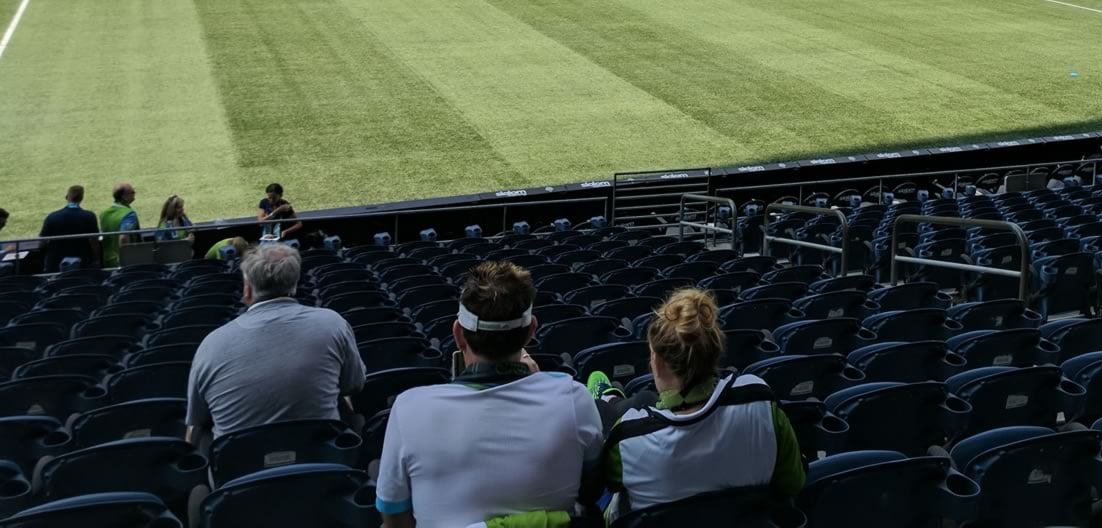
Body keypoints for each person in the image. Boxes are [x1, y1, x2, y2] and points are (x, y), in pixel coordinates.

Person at [376, 262, 602, 526]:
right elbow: (590, 492)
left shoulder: (409, 408)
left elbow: (394, 518)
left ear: (458, 334)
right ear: (531, 331)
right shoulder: (574, 399)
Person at [595, 288, 804, 518]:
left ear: (658, 361)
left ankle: (606, 397)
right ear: (714, 352)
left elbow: (604, 486)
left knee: (620, 408)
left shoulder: (629, 436)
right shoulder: (761, 401)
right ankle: (609, 397)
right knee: (644, 400)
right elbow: (793, 482)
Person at [187, 244, 365, 441]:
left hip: (241, 467)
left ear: (247, 291)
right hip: (321, 459)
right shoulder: (333, 323)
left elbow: (198, 416)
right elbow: (353, 385)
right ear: (294, 285)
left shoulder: (211, 344)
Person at [39, 185, 100, 270]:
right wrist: (96, 260)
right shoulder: (89, 216)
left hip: (55, 264)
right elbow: (94, 242)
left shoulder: (52, 217)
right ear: (81, 198)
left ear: (66, 197)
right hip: (82, 264)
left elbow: (41, 243)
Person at [99, 183, 139, 267]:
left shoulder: (103, 214)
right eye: (132, 192)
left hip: (107, 261)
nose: (134, 193)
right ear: (124, 196)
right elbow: (124, 237)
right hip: (124, 262)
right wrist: (125, 261)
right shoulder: (129, 214)